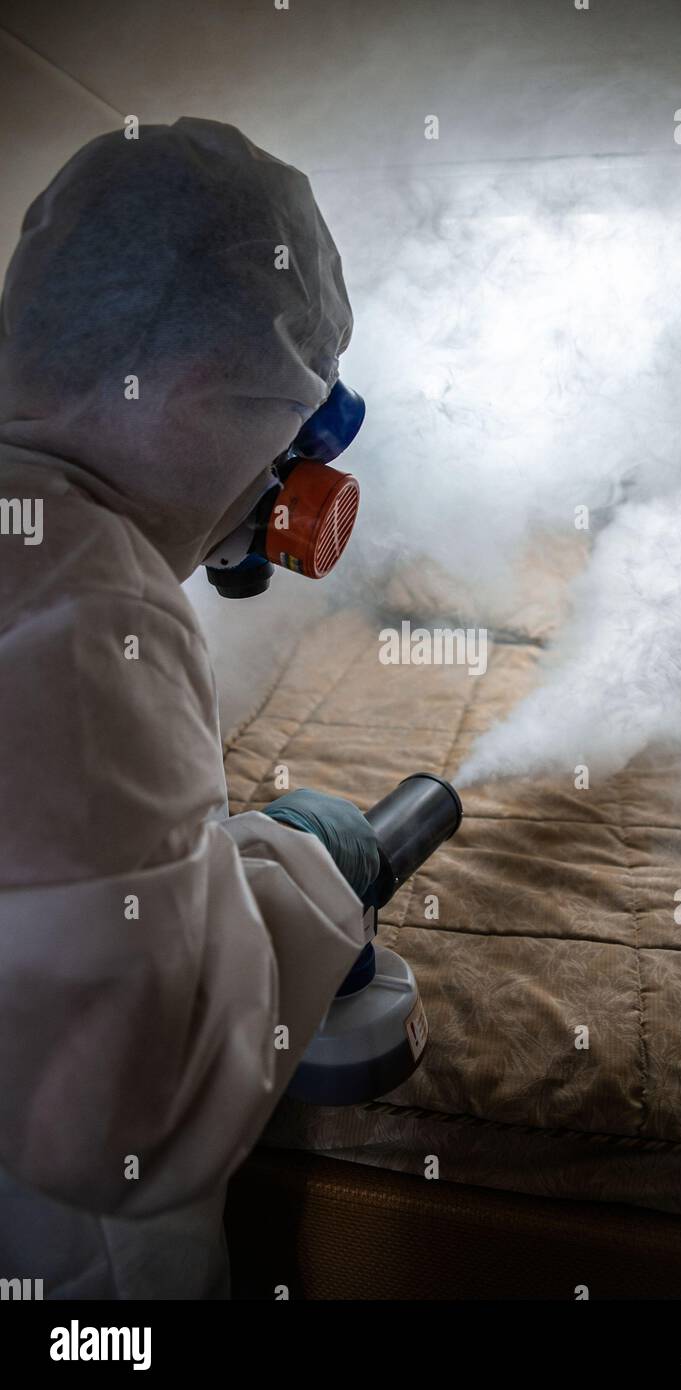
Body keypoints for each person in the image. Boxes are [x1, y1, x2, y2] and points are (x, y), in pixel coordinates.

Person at [0, 117, 378, 1298]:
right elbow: (128, 1109)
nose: (274, 485)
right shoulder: (81, 593)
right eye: (282, 431)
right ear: (211, 384)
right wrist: (300, 869)